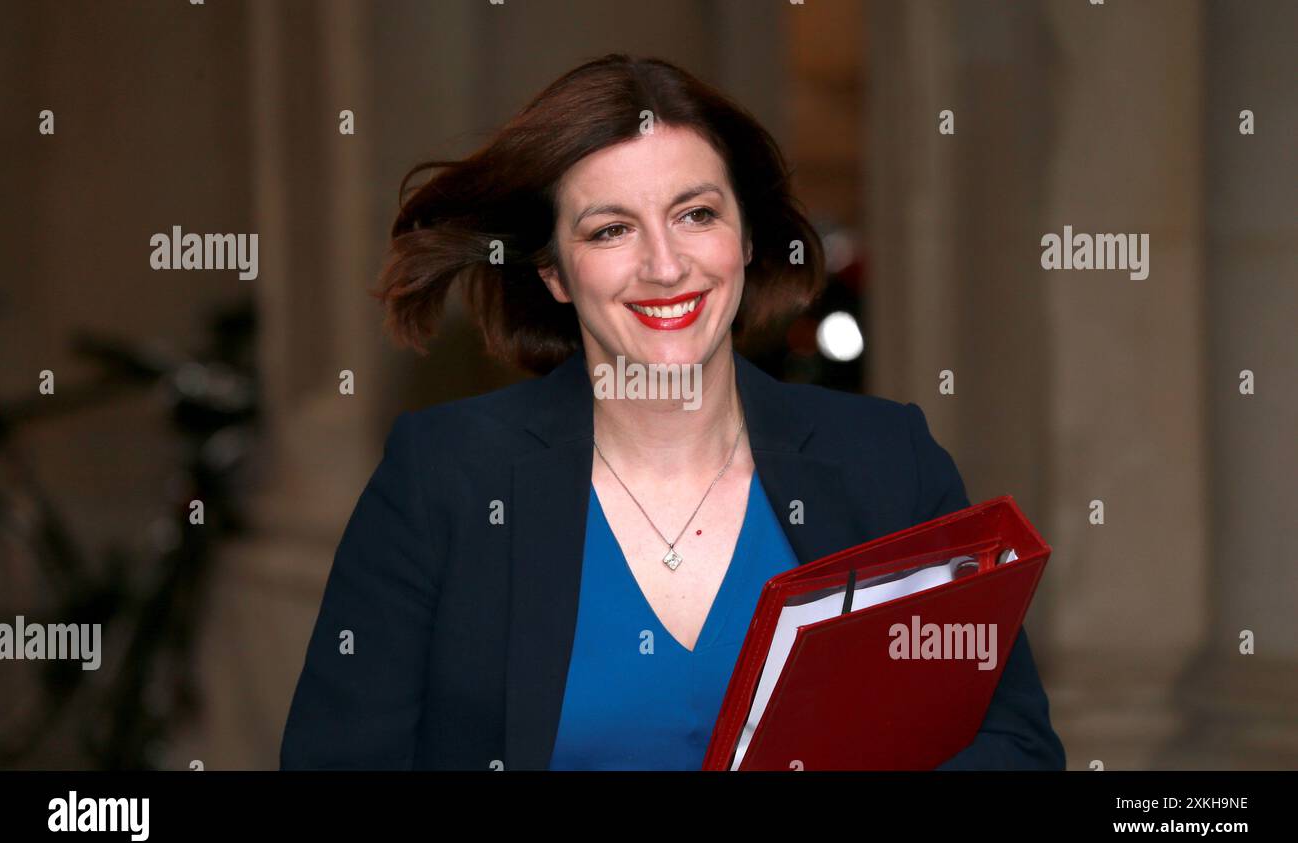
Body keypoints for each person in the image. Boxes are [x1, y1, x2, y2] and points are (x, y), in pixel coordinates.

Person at [280, 53, 1065, 770]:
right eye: (612, 228)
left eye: (696, 214)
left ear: (746, 235)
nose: (664, 266)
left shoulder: (887, 460)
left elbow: (1015, 748)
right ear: (555, 272)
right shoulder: (443, 479)